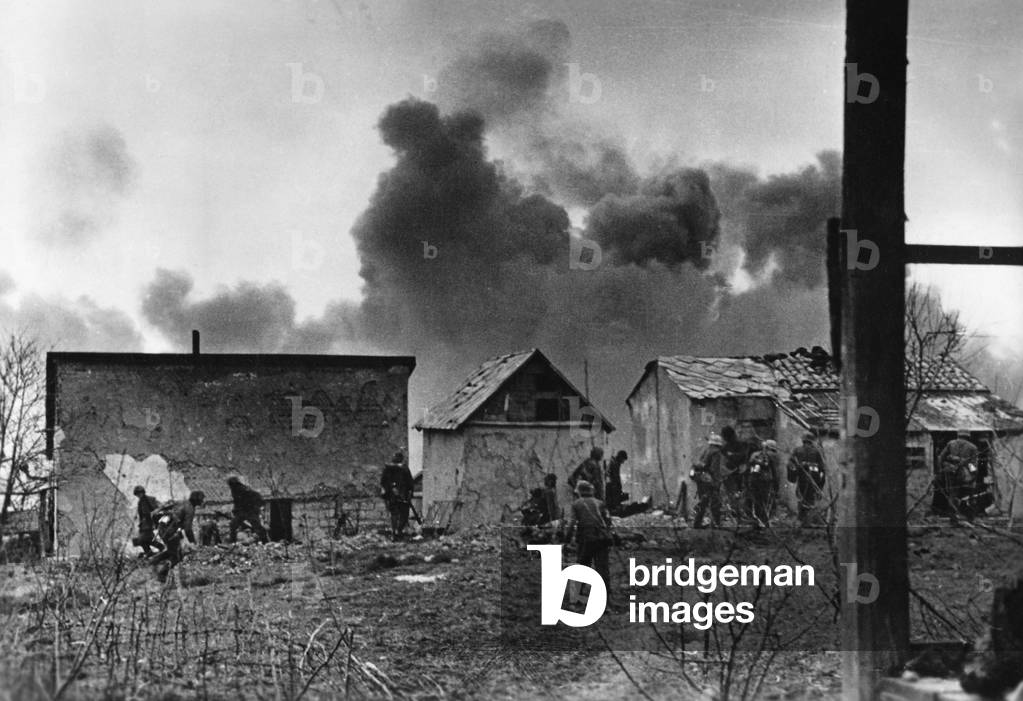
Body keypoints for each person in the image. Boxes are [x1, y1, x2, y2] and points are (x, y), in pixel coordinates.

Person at [564, 480, 614, 601]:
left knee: (582, 565)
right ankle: (606, 595)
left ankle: (577, 596)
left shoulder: (576, 504)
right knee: (602, 567)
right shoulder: (600, 503)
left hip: (586, 538)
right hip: (602, 538)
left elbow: (572, 523)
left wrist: (567, 538)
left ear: (579, 492)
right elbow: (608, 521)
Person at [150, 490, 205, 583]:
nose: (202, 501)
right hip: (170, 531)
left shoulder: (181, 502)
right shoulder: (190, 509)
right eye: (201, 499)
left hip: (162, 527)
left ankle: (153, 561)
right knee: (177, 556)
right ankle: (162, 574)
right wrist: (193, 542)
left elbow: (163, 508)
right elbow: (188, 529)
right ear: (197, 499)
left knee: (172, 551)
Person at [937, 430, 979, 521]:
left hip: (952, 473)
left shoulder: (951, 444)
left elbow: (941, 457)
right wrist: (973, 475)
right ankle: (970, 518)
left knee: (953, 495)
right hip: (966, 475)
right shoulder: (973, 447)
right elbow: (973, 465)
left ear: (958, 435)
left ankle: (953, 519)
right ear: (968, 436)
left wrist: (943, 468)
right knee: (968, 495)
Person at [787, 433, 827, 527]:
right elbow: (822, 467)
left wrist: (793, 475)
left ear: (803, 440)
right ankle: (808, 521)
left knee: (802, 498)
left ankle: (802, 520)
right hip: (814, 479)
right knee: (810, 498)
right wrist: (821, 483)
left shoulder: (797, 450)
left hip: (802, 478)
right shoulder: (817, 451)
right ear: (811, 441)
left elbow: (790, 464)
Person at [692, 433, 725, 529]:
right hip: (710, 481)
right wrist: (717, 482)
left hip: (701, 479)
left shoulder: (706, 450)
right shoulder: (716, 452)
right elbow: (714, 469)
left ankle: (697, 523)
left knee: (703, 502)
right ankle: (716, 524)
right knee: (715, 503)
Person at [747, 440, 780, 529]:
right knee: (766, 501)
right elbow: (775, 472)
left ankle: (757, 521)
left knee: (757, 500)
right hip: (766, 481)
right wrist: (777, 485)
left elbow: (749, 466)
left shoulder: (754, 455)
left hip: (753, 479)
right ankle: (765, 521)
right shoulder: (773, 456)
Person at [380, 451, 414, 539]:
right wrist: (409, 493)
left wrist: (389, 490)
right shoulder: (404, 468)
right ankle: (397, 531)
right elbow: (410, 483)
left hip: (394, 496)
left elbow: (383, 482)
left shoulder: (388, 469)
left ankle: (395, 531)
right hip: (401, 495)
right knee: (403, 514)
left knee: (395, 514)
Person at [226, 476, 268, 543]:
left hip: (249, 511)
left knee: (256, 526)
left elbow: (241, 502)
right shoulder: (236, 490)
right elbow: (237, 502)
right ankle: (232, 542)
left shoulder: (241, 489)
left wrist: (254, 508)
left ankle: (265, 541)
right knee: (233, 525)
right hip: (244, 511)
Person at [131, 486, 164, 556]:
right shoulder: (140, 502)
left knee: (142, 539)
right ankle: (150, 552)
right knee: (144, 540)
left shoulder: (150, 499)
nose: (138, 495)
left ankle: (160, 548)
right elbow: (142, 514)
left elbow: (158, 509)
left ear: (142, 492)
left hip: (149, 524)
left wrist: (153, 520)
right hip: (144, 524)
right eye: (137, 494)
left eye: (139, 493)